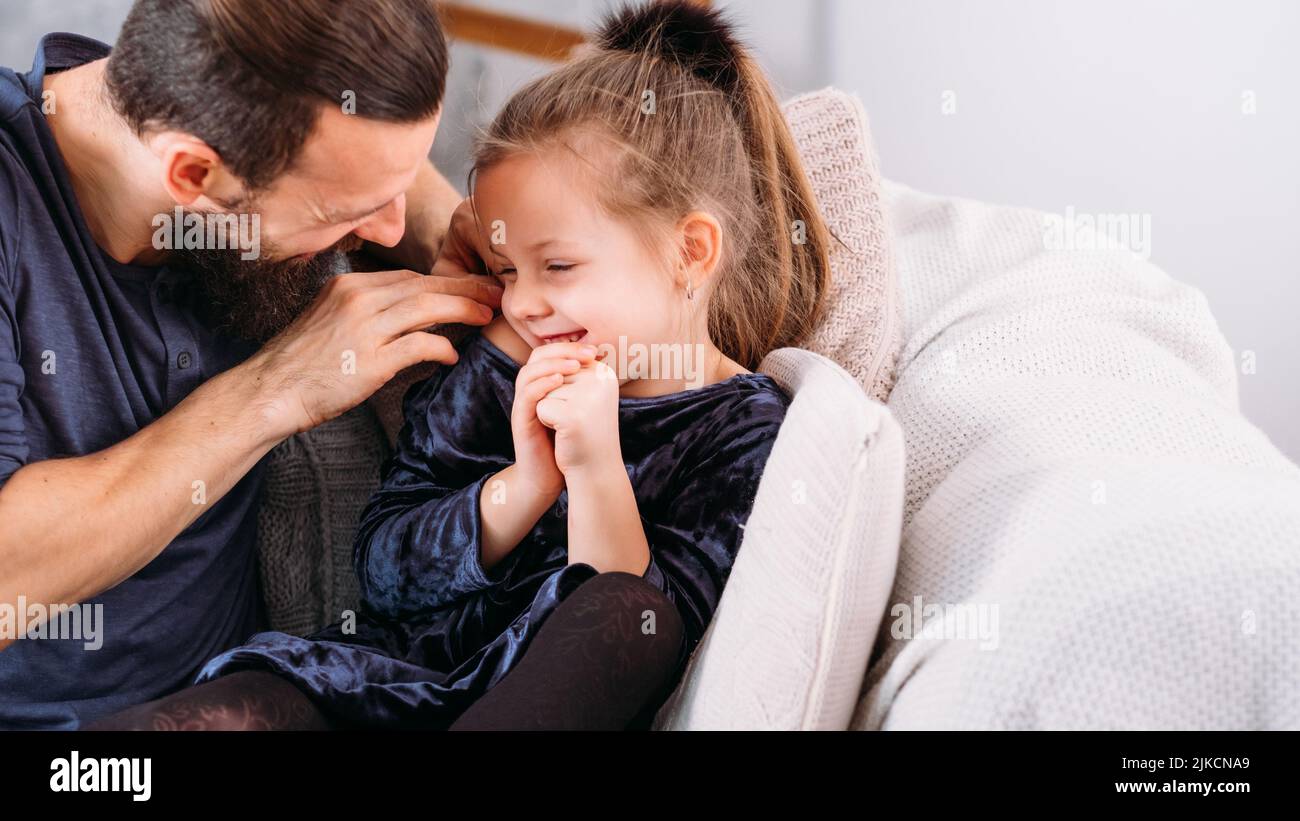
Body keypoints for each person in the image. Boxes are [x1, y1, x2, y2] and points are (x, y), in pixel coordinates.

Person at [86, 0, 833, 731]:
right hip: (380, 683)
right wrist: (525, 485)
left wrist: (594, 466)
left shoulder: (747, 426)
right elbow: (383, 572)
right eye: (508, 270)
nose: (528, 303)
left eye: (560, 265)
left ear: (691, 251)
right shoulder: (503, 358)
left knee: (627, 609)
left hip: (536, 700)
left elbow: (649, 647)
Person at [0, 0, 504, 729]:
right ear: (193, 173)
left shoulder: (235, 109)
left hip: (255, 693)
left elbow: (349, 140)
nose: (384, 231)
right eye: (348, 211)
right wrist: (280, 386)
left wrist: (444, 227)